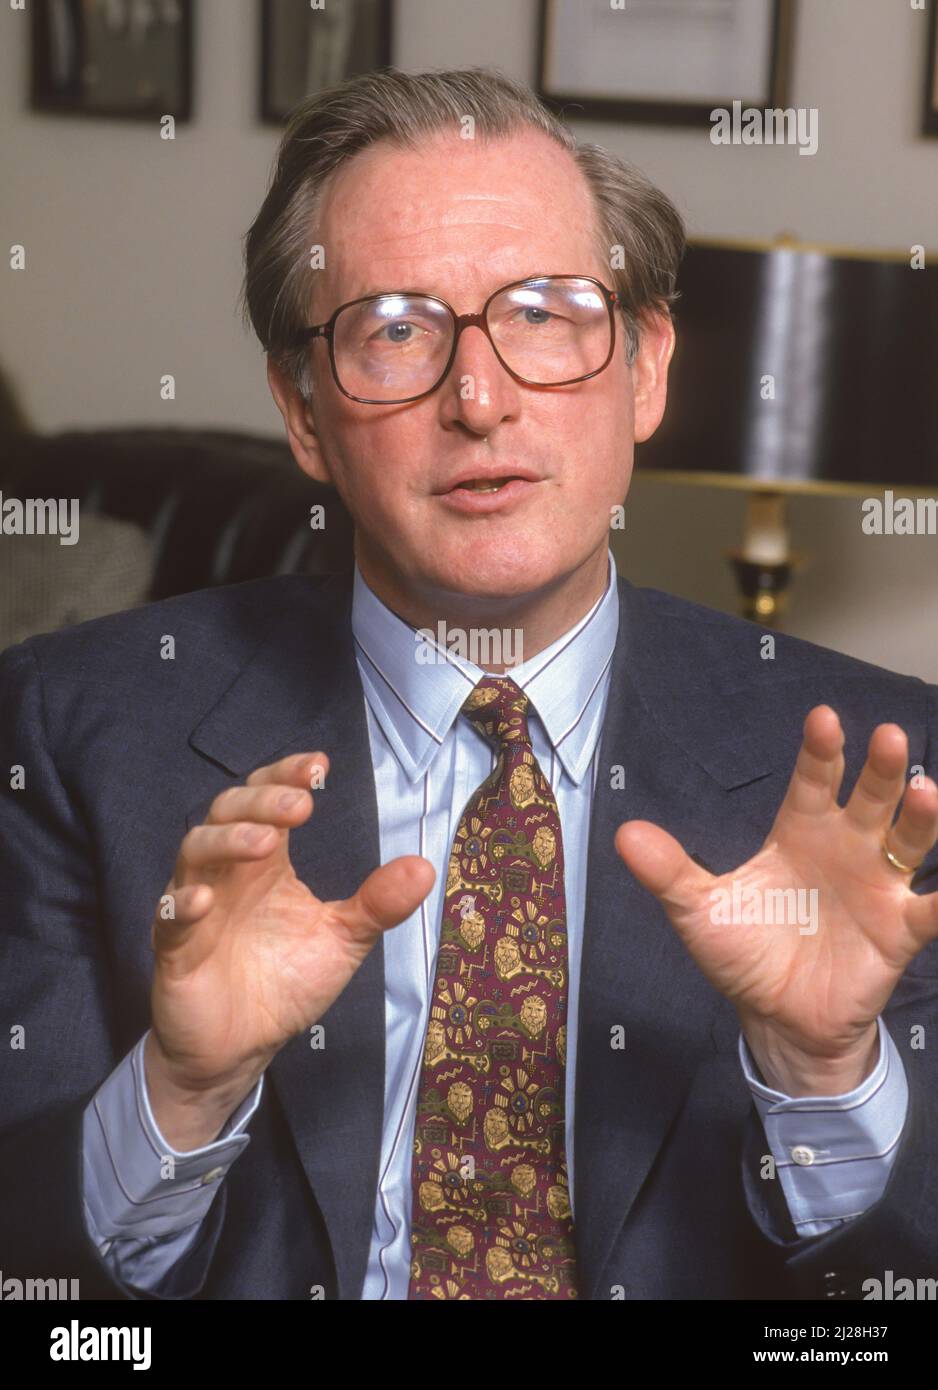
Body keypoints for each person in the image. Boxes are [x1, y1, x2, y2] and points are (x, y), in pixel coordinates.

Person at [1, 67, 937, 1302]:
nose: (479, 400)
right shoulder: (71, 728)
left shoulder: (884, 767)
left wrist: (823, 1076)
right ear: (302, 411)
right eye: (395, 328)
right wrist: (182, 1092)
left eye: (544, 314)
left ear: (644, 367)